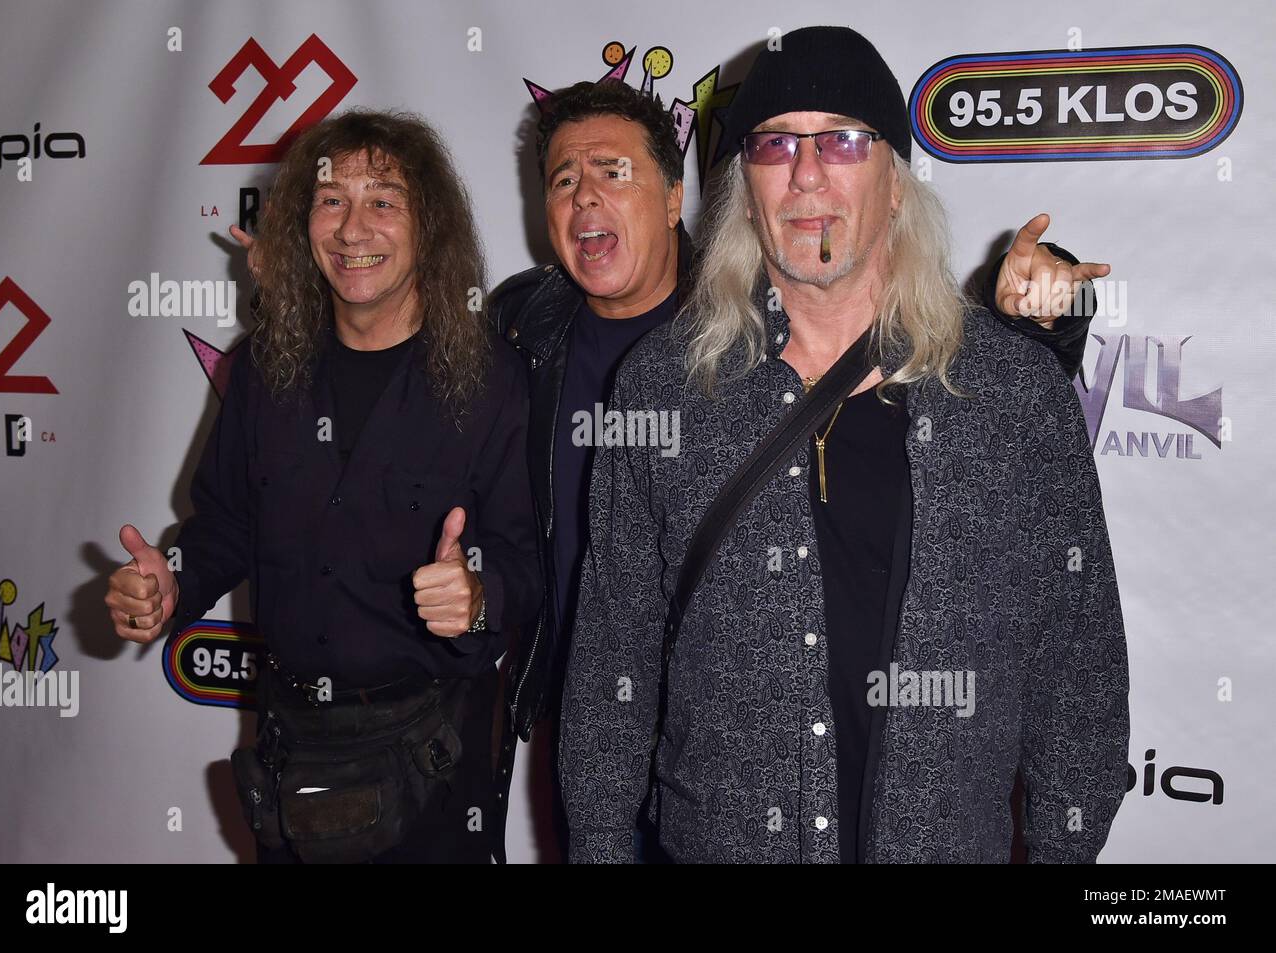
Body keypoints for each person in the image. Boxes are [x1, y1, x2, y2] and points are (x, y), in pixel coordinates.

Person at [490, 78, 1110, 859]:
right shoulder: (662, 387)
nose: (806, 172)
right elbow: (612, 662)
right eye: (776, 143)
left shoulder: (1012, 391)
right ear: (745, 193)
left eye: (844, 139)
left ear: (896, 188)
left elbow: (1078, 670)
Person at [103, 109, 541, 863]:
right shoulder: (262, 371)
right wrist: (172, 583)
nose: (352, 227)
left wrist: (478, 595)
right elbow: (224, 526)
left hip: (434, 776)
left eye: (383, 201)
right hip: (292, 764)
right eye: (330, 199)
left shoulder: (493, 381)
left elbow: (530, 563)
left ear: (428, 226)